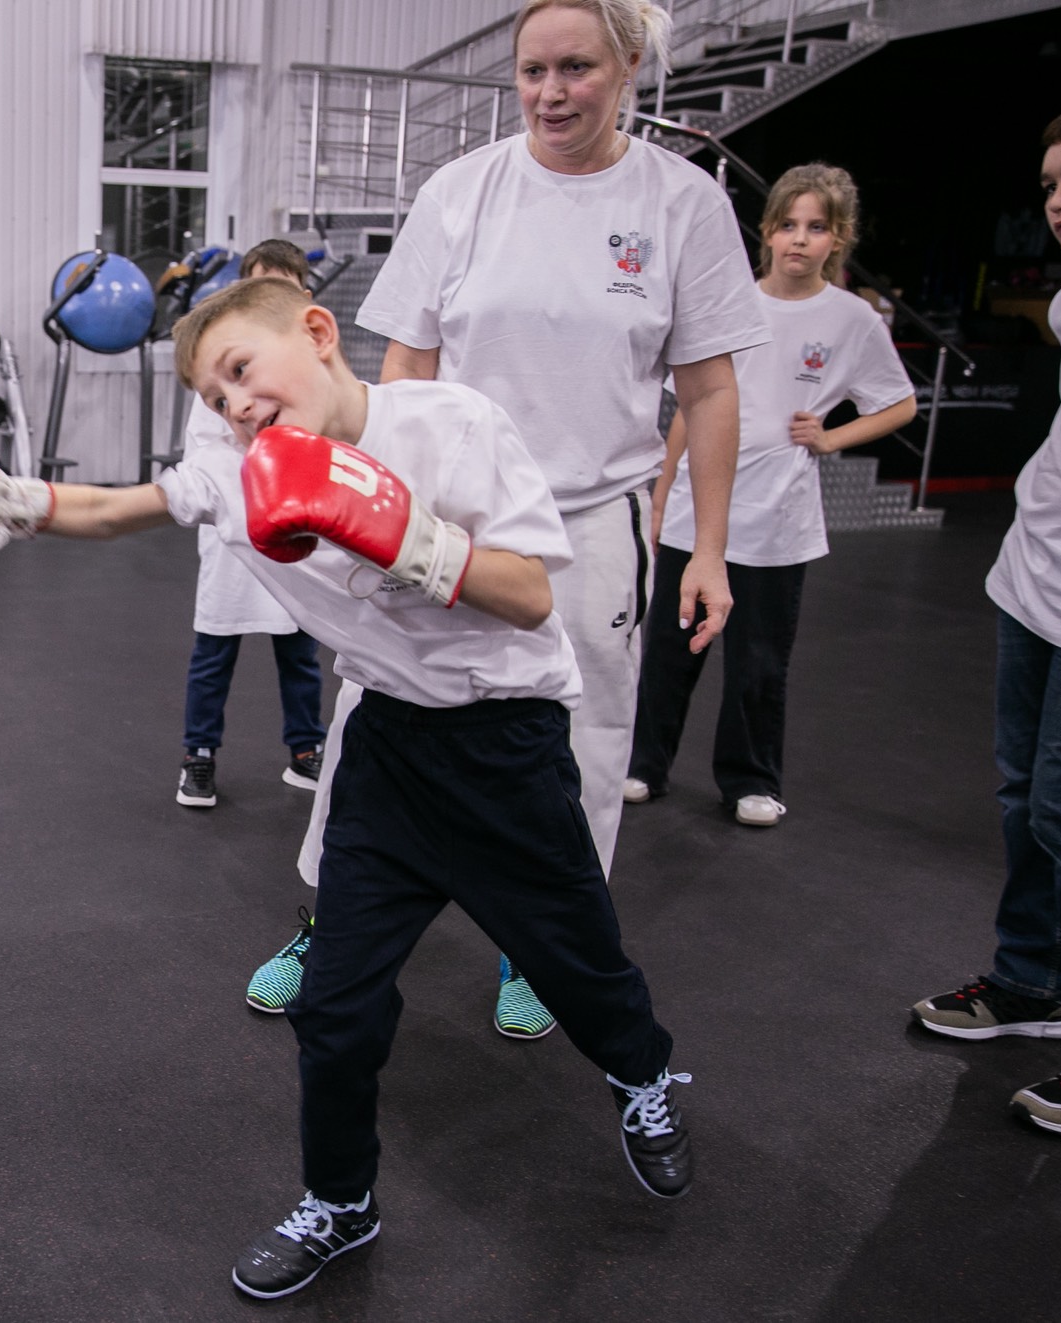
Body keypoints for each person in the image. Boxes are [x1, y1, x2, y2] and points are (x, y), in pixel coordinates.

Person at [0, 276, 693, 1301]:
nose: (233, 404)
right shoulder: (235, 470)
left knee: (581, 966)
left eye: (241, 371)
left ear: (318, 333)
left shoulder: (453, 423)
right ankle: (341, 1200)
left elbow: (526, 595)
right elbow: (121, 508)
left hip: (505, 749)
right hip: (385, 749)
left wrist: (398, 531)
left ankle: (642, 1075)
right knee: (336, 1009)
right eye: (212, 395)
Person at [274, 0, 769, 1039]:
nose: (550, 92)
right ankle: (331, 917)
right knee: (374, 706)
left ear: (627, 66)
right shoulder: (461, 191)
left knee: (582, 738)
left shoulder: (682, 203)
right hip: (448, 506)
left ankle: (535, 946)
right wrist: (377, 503)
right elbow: (403, 362)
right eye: (532, 69)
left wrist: (706, 548)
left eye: (576, 68)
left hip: (590, 517)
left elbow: (710, 391)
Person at [911, 90, 1061, 1140]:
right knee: (1027, 798)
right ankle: (1033, 982)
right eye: (1050, 183)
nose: (1059, 202)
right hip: (1032, 582)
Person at [624, 165, 916, 826]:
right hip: (696, 517)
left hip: (777, 520)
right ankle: (645, 765)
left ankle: (751, 779)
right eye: (787, 225)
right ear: (766, 231)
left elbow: (899, 403)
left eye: (816, 228)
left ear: (838, 238)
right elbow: (691, 406)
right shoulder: (729, 301)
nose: (799, 240)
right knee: (669, 653)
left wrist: (832, 437)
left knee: (758, 661)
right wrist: (665, 489)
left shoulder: (852, 319)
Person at [175, 238, 327, 822]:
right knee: (215, 650)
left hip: (298, 534)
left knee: (300, 650)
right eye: (255, 291)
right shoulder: (224, 374)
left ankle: (305, 749)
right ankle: (199, 752)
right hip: (237, 536)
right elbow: (204, 459)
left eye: (281, 291)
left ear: (303, 297)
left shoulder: (314, 369)